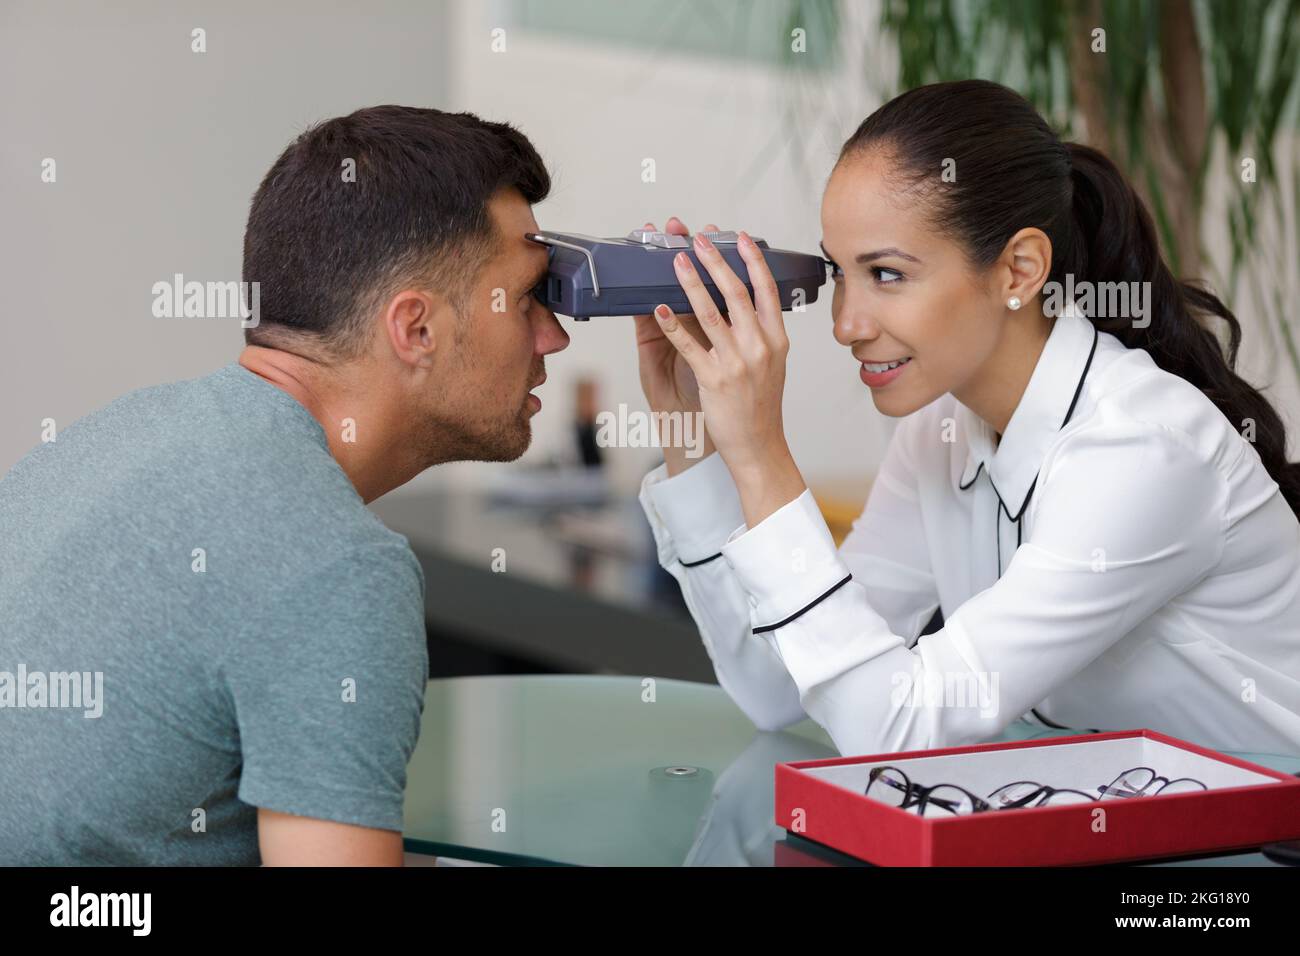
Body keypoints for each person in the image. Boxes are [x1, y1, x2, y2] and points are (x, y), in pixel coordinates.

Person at [634, 80, 1300, 758]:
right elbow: (776, 689)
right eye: (839, 272)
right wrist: (697, 437)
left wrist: (761, 456)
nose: (845, 324)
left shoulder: (1140, 453)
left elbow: (898, 724)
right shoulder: (940, 434)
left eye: (887, 274)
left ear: (1019, 270)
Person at [0, 106, 569, 865]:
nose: (553, 336)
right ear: (416, 330)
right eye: (527, 298)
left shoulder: (105, 441)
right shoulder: (337, 568)